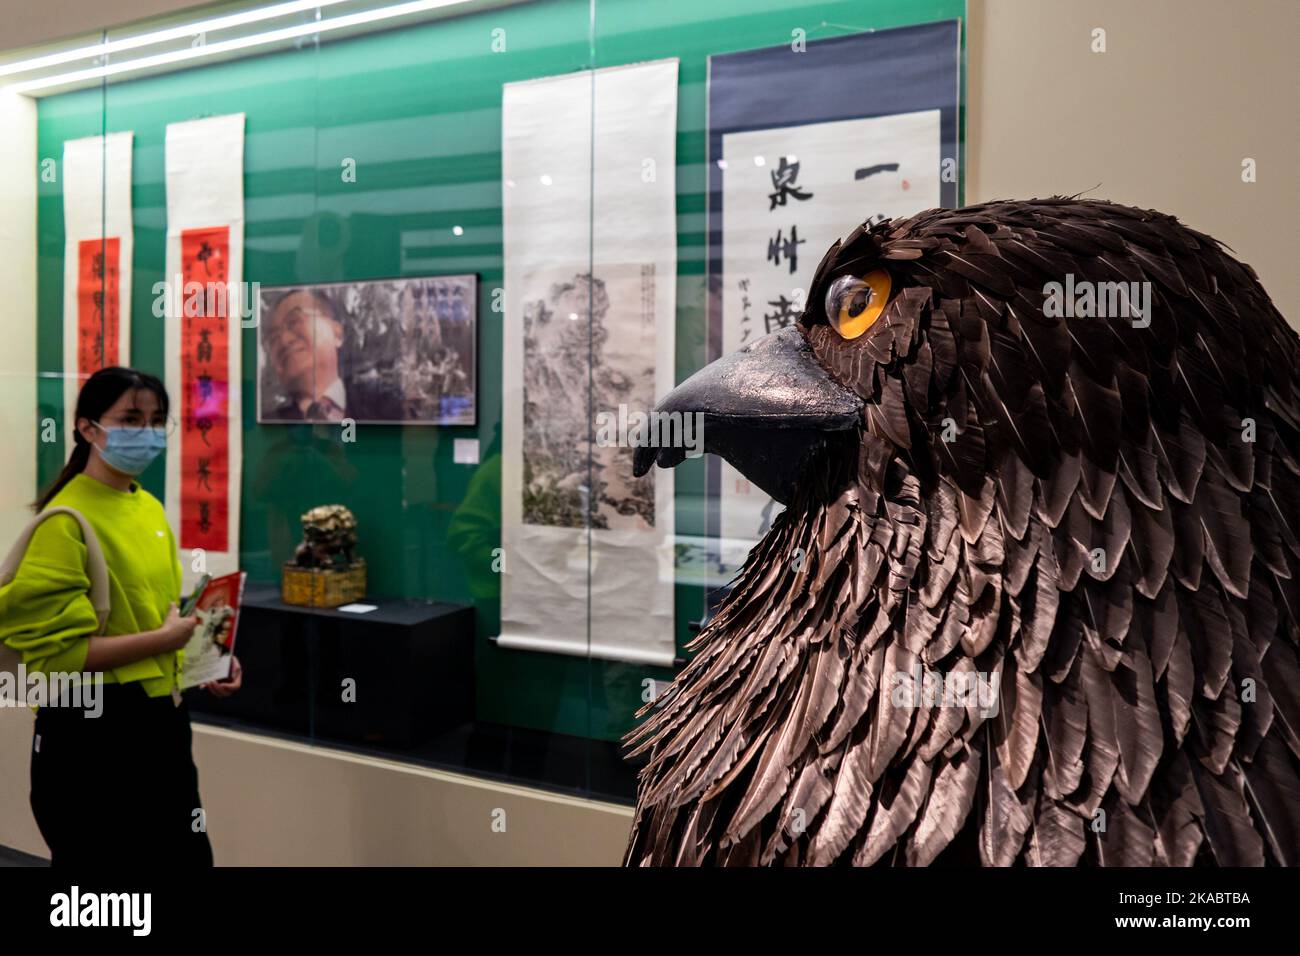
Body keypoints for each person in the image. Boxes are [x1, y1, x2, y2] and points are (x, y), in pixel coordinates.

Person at [0, 367, 242, 867]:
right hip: (93, 736)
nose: (148, 432)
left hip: (161, 722)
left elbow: (157, 615)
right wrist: (165, 641)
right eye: (131, 418)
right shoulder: (66, 521)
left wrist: (207, 657)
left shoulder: (147, 507)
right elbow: (58, 656)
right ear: (87, 427)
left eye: (158, 420)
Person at [261, 288, 403, 422]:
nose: (284, 340)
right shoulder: (267, 429)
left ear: (337, 333)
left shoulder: (390, 406)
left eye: (294, 321)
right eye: (273, 338)